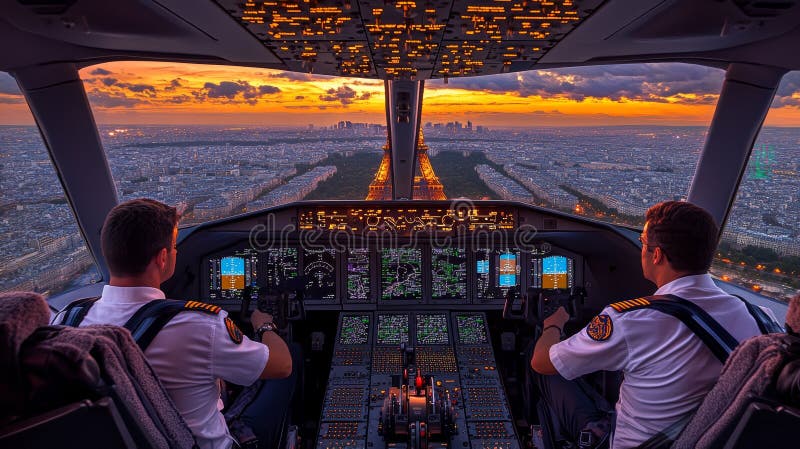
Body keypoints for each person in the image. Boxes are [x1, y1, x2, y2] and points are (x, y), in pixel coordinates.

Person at [53, 198, 296, 449]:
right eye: (173, 246)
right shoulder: (199, 325)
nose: (177, 252)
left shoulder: (67, 321)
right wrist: (264, 326)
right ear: (161, 258)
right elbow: (282, 367)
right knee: (293, 356)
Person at [530, 201, 762, 449]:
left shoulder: (631, 319)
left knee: (538, 358)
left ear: (658, 255)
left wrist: (553, 326)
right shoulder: (760, 317)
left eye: (642, 242)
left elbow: (542, 363)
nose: (641, 248)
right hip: (708, 440)